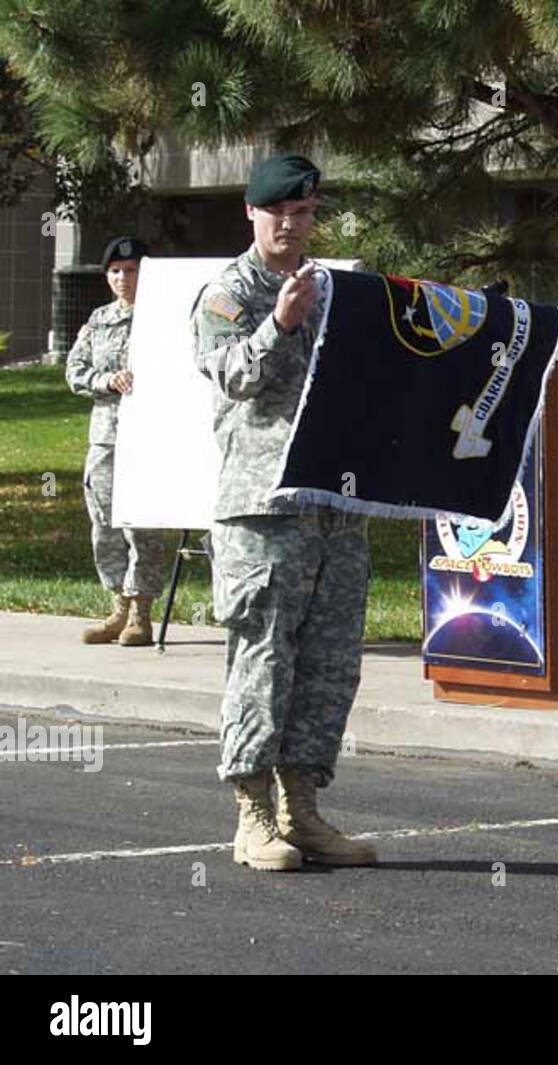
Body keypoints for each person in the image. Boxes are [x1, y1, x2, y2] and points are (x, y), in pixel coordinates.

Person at [191, 154, 375, 872]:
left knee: (329, 666)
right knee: (263, 663)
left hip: (332, 507)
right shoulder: (226, 292)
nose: (292, 226)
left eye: (304, 214)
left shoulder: (332, 288)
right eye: (280, 214)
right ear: (252, 212)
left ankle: (302, 809)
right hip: (262, 513)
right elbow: (231, 373)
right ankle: (252, 814)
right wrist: (278, 322)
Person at [65, 236, 166, 647]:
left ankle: (142, 613)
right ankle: (118, 607)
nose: (123, 278)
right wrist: (104, 380)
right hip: (106, 438)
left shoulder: (166, 318)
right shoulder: (99, 319)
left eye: (132, 270)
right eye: (116, 271)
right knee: (104, 524)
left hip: (150, 436)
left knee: (140, 525)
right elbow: (75, 369)